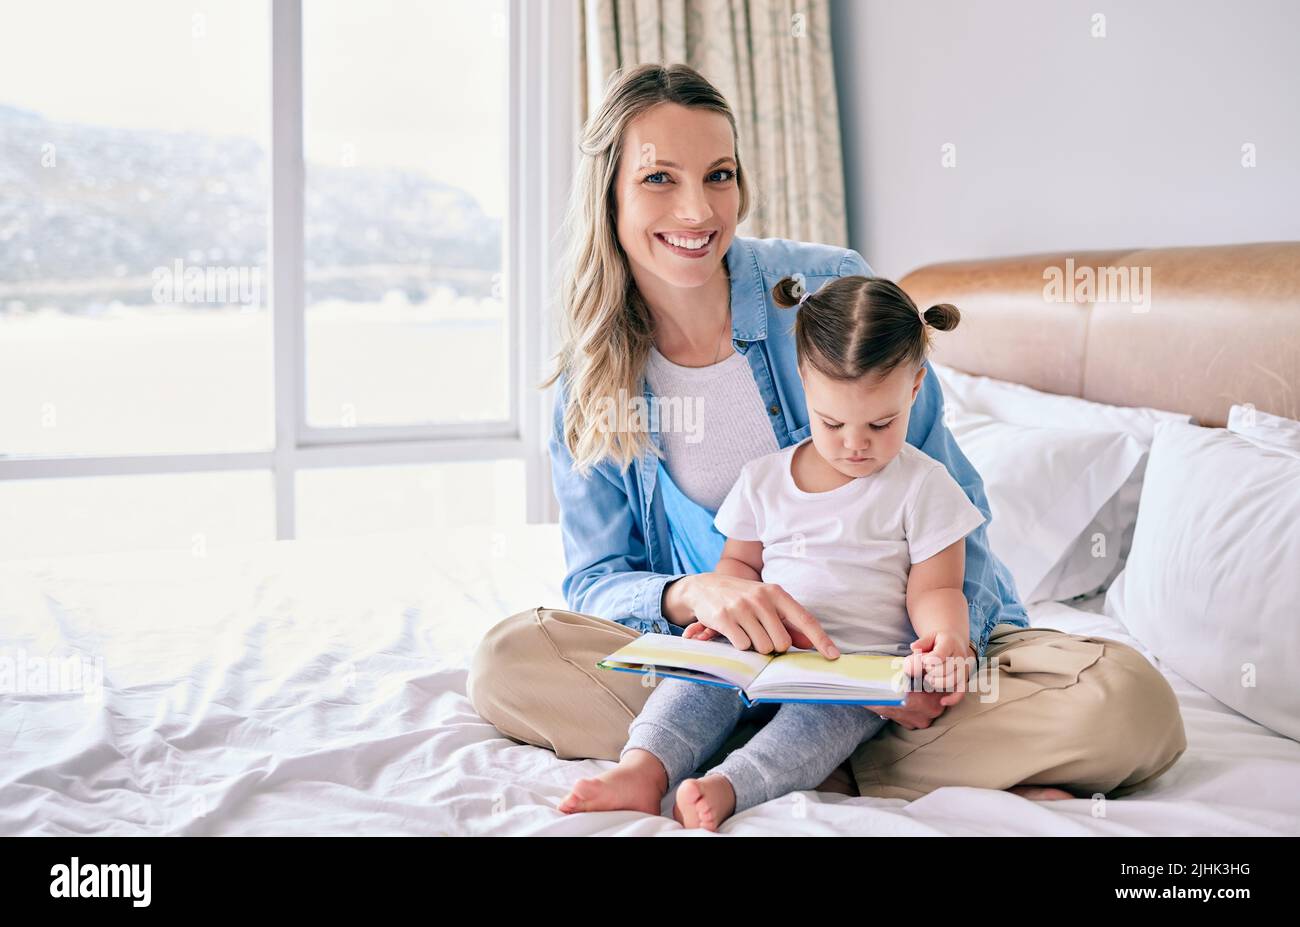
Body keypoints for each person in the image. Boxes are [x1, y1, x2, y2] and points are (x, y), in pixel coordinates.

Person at [467, 61, 1187, 808]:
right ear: (609, 191)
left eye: (719, 175)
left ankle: (807, 750)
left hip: (883, 653)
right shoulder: (592, 383)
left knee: (1127, 701)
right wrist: (694, 593)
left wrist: (929, 659)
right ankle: (792, 754)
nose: (697, 211)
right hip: (717, 667)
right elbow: (597, 581)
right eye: (659, 179)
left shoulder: (825, 293)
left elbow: (951, 514)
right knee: (508, 660)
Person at [560, 274, 994, 829]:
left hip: (853, 669)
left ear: (914, 390)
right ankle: (643, 768)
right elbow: (739, 566)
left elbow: (936, 588)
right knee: (697, 684)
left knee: (816, 726)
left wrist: (948, 640)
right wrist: (724, 612)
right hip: (763, 649)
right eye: (832, 422)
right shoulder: (764, 479)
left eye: (880, 424)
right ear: (804, 385)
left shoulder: (924, 485)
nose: (855, 443)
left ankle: (732, 785)